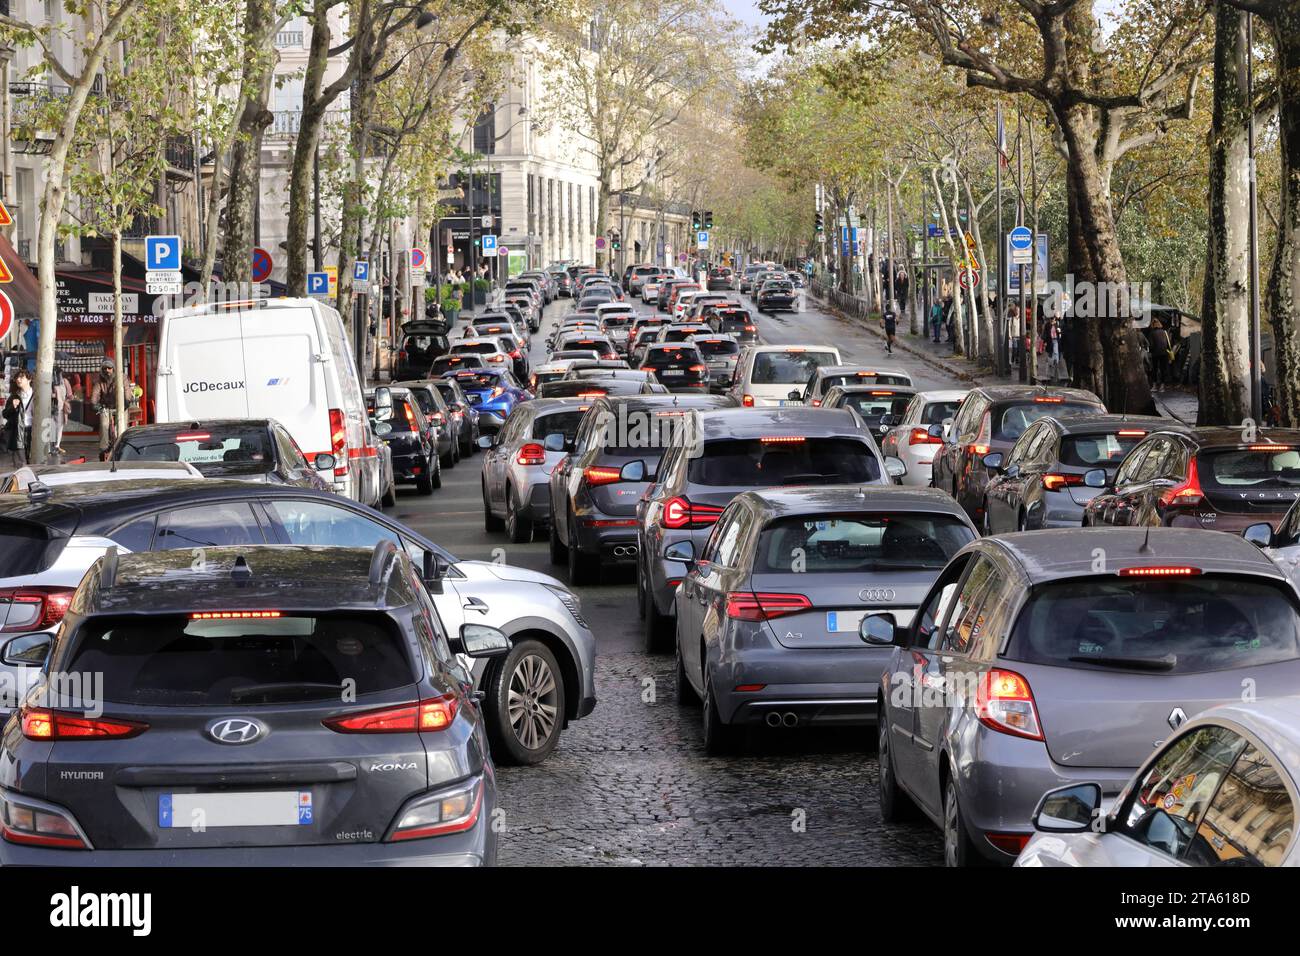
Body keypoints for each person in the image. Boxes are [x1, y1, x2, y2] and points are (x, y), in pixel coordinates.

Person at [89, 357, 136, 461]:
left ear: (113, 368)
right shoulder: (100, 380)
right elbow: (95, 394)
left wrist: (126, 401)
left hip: (121, 405)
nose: (107, 370)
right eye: (105, 368)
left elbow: (127, 390)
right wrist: (94, 404)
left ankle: (122, 445)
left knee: (121, 426)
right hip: (106, 406)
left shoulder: (122, 377)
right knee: (104, 424)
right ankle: (104, 448)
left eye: (109, 368)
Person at [3, 369, 35, 469]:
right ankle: (22, 483)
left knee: (34, 462)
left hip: (33, 431)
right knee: (21, 465)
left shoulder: (37, 395)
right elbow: (5, 414)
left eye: (21, 377)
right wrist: (12, 406)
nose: (18, 379)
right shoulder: (14, 396)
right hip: (18, 432)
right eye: (17, 377)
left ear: (29, 379)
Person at [1149, 319, 1172, 392]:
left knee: (1154, 369)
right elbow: (1168, 344)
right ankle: (1162, 386)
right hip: (1164, 353)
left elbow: (1151, 345)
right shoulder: (1165, 332)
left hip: (1155, 353)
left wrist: (1150, 350)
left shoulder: (1152, 333)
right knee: (1163, 369)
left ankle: (1155, 385)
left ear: (1152, 325)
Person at [51, 365, 70, 455]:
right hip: (51, 408)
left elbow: (70, 395)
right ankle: (51, 446)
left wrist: (65, 400)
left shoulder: (65, 382)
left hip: (61, 408)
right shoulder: (49, 383)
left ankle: (57, 445)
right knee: (51, 426)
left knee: (59, 427)